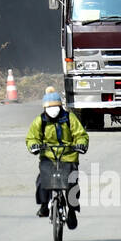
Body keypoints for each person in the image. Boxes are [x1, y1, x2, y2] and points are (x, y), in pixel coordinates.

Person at [25, 87, 89, 228]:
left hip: (68, 157)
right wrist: (34, 146)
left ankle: (72, 211)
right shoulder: (39, 121)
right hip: (49, 157)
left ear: (60, 106)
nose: (53, 110)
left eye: (55, 107)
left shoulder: (69, 118)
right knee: (42, 181)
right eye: (49, 107)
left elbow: (81, 134)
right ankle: (44, 206)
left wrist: (81, 144)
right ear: (44, 108)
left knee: (72, 185)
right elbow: (32, 137)